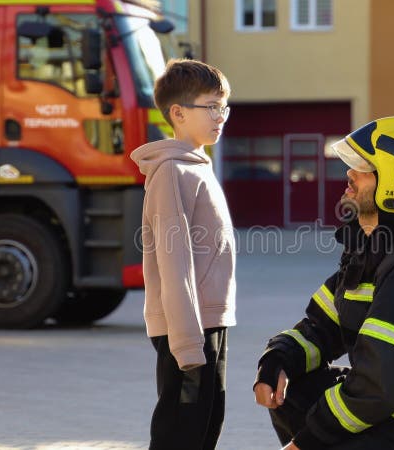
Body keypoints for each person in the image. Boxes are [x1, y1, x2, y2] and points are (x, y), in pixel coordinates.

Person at [253, 117, 394, 450]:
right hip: (393, 407)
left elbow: (381, 385)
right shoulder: (369, 254)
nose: (349, 175)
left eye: (362, 167)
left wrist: (307, 442)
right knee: (295, 389)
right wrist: (276, 362)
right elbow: (320, 329)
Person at [130, 59, 235, 450]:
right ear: (178, 113)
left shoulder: (197, 168)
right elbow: (175, 265)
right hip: (187, 332)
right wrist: (188, 346)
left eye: (223, 107)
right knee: (181, 435)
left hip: (209, 324)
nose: (219, 117)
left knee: (206, 428)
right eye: (210, 107)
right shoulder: (173, 172)